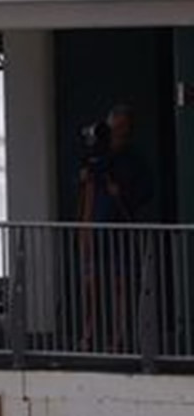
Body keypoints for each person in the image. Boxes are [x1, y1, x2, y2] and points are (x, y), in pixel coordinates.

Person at [78, 103, 154, 350]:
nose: (119, 132)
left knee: (122, 283)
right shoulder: (98, 157)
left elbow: (146, 191)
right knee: (91, 282)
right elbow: (87, 188)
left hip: (123, 227)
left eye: (123, 127)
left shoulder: (135, 159)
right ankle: (89, 333)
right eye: (115, 127)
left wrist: (122, 192)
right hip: (98, 228)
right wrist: (85, 228)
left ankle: (120, 336)